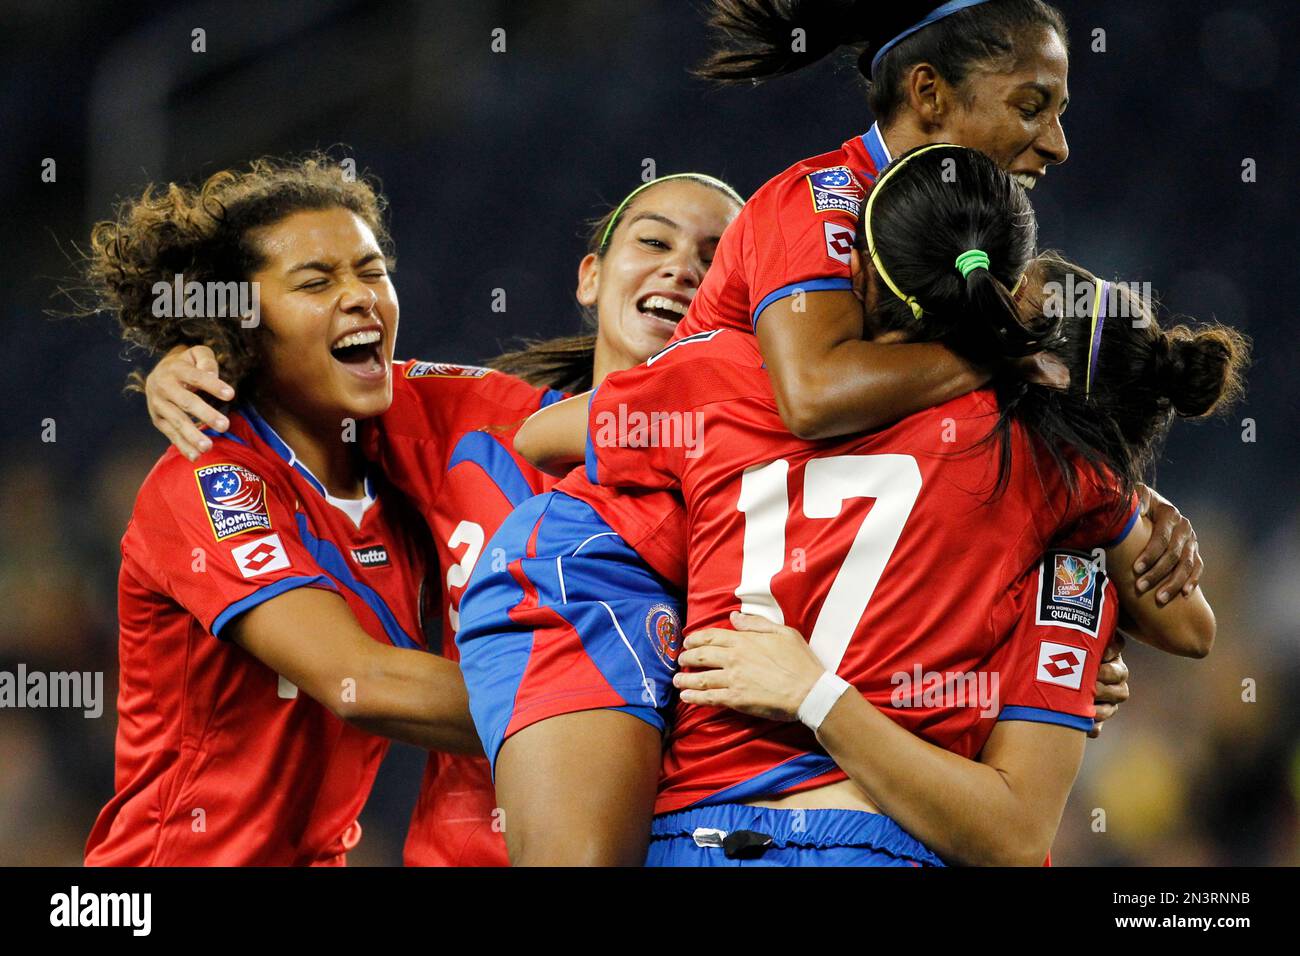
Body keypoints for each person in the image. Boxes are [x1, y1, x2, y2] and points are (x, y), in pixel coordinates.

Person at [566, 148, 1247, 865]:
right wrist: (1132, 498)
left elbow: (545, 433)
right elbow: (1191, 628)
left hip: (688, 837)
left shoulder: (743, 378)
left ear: (862, 272)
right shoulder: (1057, 483)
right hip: (872, 842)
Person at [139, 172, 746, 865]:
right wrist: (202, 357)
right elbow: (304, 384)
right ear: (591, 277)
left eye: (716, 256)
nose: (682, 267)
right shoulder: (468, 423)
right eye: (654, 240)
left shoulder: (768, 473)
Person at [679, 0, 1203, 603]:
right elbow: (815, 394)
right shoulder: (819, 206)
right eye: (1030, 107)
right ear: (928, 92)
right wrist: (1003, 355)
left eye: (1059, 114)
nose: (1058, 145)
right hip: (662, 561)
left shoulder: (978, 241)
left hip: (793, 568)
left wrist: (1130, 495)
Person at [80, 156, 480, 866]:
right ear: (243, 322)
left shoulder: (404, 447)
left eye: (371, 270)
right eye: (317, 282)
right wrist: (599, 711)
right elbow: (359, 681)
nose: (360, 297)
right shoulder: (208, 479)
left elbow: (581, 410)